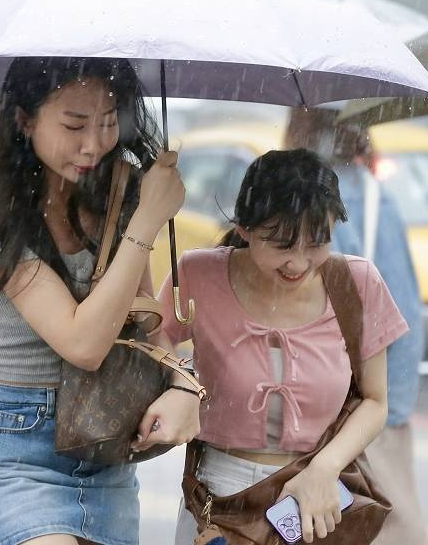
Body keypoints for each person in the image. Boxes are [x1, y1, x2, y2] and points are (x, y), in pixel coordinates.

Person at [0, 57, 201, 545]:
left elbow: (143, 323)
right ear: (24, 119)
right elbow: (82, 342)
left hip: (105, 447)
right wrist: (147, 221)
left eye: (107, 123)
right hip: (13, 448)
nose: (94, 144)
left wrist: (185, 389)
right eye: (74, 125)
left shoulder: (118, 192)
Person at [166, 149, 408, 545]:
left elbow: (375, 401)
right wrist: (180, 384)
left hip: (316, 499)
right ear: (244, 229)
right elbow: (151, 346)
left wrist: (323, 469)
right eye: (281, 244)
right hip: (219, 496)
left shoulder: (357, 283)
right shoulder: (199, 273)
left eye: (318, 243)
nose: (299, 262)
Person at [285, 107, 428, 544]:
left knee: (384, 522)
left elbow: (393, 310)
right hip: (364, 396)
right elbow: (407, 308)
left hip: (357, 400)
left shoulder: (335, 200)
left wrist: (385, 401)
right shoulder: (368, 191)